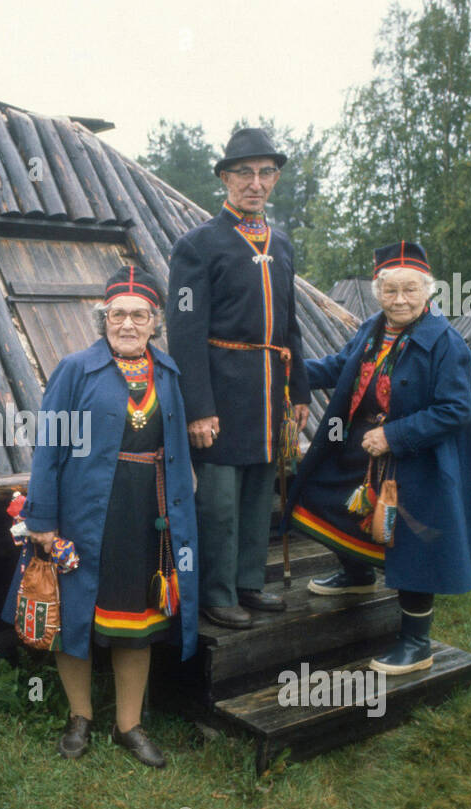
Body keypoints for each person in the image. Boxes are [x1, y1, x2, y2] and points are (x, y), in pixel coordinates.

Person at [2, 266, 198, 768]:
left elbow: (176, 447)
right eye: (117, 315)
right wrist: (43, 519)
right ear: (103, 319)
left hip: (148, 519)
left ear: (154, 322)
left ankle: (128, 726)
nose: (127, 324)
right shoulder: (75, 369)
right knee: (77, 617)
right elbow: (49, 448)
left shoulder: (169, 373)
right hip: (85, 516)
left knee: (140, 620)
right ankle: (80, 717)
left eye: (138, 315)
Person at [285, 241, 471, 674]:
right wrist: (287, 371)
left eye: (411, 290)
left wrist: (394, 436)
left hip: (419, 463)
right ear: (377, 293)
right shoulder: (374, 328)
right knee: (319, 495)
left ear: (429, 291)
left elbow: (457, 409)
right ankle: (356, 576)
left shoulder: (447, 343)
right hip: (361, 449)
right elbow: (341, 366)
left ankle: (416, 644)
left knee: (413, 548)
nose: (401, 300)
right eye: (390, 291)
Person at [167, 128, 310, 630]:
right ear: (225, 178)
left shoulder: (283, 245)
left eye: (266, 172)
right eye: (244, 173)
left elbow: (290, 323)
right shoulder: (197, 246)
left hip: (270, 392)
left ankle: (250, 583)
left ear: (275, 178)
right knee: (220, 504)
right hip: (221, 394)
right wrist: (198, 406)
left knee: (257, 497)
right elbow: (184, 332)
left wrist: (300, 392)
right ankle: (216, 593)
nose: (256, 183)